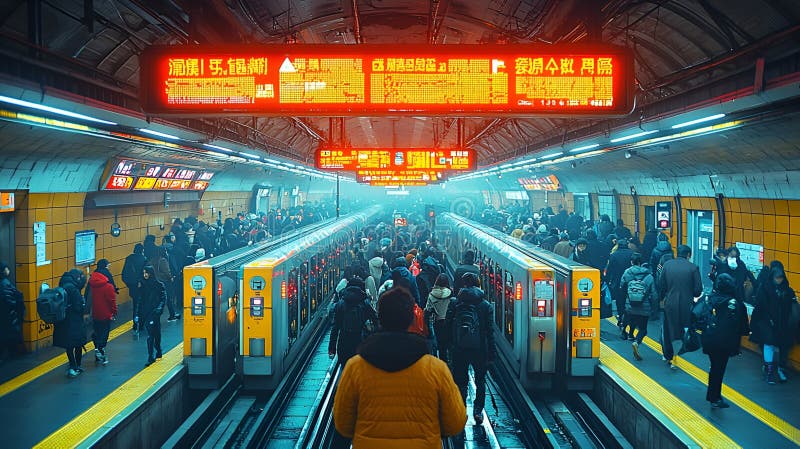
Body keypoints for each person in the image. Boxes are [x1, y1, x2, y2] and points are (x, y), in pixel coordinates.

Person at [333, 287, 466, 448]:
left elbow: (342, 424)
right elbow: (455, 423)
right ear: (411, 319)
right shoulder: (436, 369)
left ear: (380, 318)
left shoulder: (356, 367)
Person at [449, 272, 495, 425]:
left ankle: (461, 410)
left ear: (464, 285)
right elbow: (490, 332)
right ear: (478, 284)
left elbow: (448, 325)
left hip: (459, 348)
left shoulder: (455, 302)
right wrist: (491, 355)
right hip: (480, 349)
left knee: (460, 381)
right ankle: (478, 411)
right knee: (480, 381)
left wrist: (450, 345)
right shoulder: (485, 306)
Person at [702, 274, 749, 408]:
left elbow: (699, 316)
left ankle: (714, 396)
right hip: (725, 342)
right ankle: (714, 397)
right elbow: (744, 328)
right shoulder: (737, 304)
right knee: (719, 368)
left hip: (709, 339)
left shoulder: (709, 299)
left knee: (715, 367)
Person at [658, 245, 703, 369]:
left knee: (669, 329)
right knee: (682, 329)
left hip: (670, 303)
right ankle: (677, 354)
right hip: (686, 304)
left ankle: (669, 355)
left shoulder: (667, 265)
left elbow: (661, 285)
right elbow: (698, 291)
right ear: (688, 255)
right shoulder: (693, 268)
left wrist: (662, 299)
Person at [749, 266, 796, 384]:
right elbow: (761, 306)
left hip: (782, 323)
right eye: (777, 278)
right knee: (769, 343)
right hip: (767, 322)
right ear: (772, 277)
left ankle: (779, 369)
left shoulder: (787, 290)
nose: (779, 280)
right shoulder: (765, 289)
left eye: (781, 278)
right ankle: (769, 371)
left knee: (781, 345)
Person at [329, 276, 377, 365]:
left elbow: (335, 327)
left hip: (344, 344)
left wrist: (332, 348)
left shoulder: (341, 303)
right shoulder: (365, 302)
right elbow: (376, 322)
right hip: (360, 342)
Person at [620, 253, 657, 360]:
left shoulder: (627, 272)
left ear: (631, 262)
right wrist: (654, 309)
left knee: (630, 319)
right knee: (643, 329)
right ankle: (636, 342)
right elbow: (654, 294)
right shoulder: (649, 276)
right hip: (644, 307)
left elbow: (621, 286)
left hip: (630, 305)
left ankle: (626, 332)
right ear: (641, 262)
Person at [54, 269, 87, 378]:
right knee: (78, 343)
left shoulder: (62, 285)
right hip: (74, 320)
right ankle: (76, 366)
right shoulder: (73, 289)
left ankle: (73, 365)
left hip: (63, 321)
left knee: (69, 345)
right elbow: (79, 307)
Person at [88, 262, 117, 365]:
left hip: (95, 313)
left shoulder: (91, 284)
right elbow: (112, 301)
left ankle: (97, 349)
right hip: (106, 314)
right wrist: (114, 312)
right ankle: (101, 348)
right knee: (104, 333)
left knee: (97, 331)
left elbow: (88, 298)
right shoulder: (108, 286)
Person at [605, 238, 634, 338]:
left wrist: (607, 280)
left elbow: (609, 269)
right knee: (630, 300)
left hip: (617, 281)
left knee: (620, 301)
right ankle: (630, 318)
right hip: (630, 281)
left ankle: (621, 317)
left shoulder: (614, 255)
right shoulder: (632, 254)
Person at [138, 265, 166, 366]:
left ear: (151, 273)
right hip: (147, 313)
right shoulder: (142, 285)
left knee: (156, 334)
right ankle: (150, 356)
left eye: (146, 272)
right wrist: (138, 314)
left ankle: (158, 349)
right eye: (143, 273)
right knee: (151, 335)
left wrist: (159, 308)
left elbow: (163, 298)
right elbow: (139, 300)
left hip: (155, 313)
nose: (145, 275)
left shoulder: (159, 285)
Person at [424, 274, 455, 362]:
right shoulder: (451, 293)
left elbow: (428, 310)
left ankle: (441, 362)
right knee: (449, 343)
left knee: (440, 345)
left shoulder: (431, 294)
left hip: (438, 323)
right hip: (449, 322)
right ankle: (450, 362)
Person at [0, 263, 24, 361]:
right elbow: (10, 300)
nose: (8, 270)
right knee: (9, 336)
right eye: (6, 269)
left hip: (6, 316)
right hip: (8, 316)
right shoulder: (4, 283)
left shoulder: (4, 282)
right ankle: (11, 354)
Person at [121, 243, 147, 331]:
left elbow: (124, 274)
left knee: (135, 305)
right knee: (143, 305)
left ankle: (135, 324)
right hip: (142, 286)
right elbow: (145, 274)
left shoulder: (129, 258)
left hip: (132, 286)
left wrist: (130, 285)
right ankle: (142, 324)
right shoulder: (144, 259)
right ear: (142, 250)